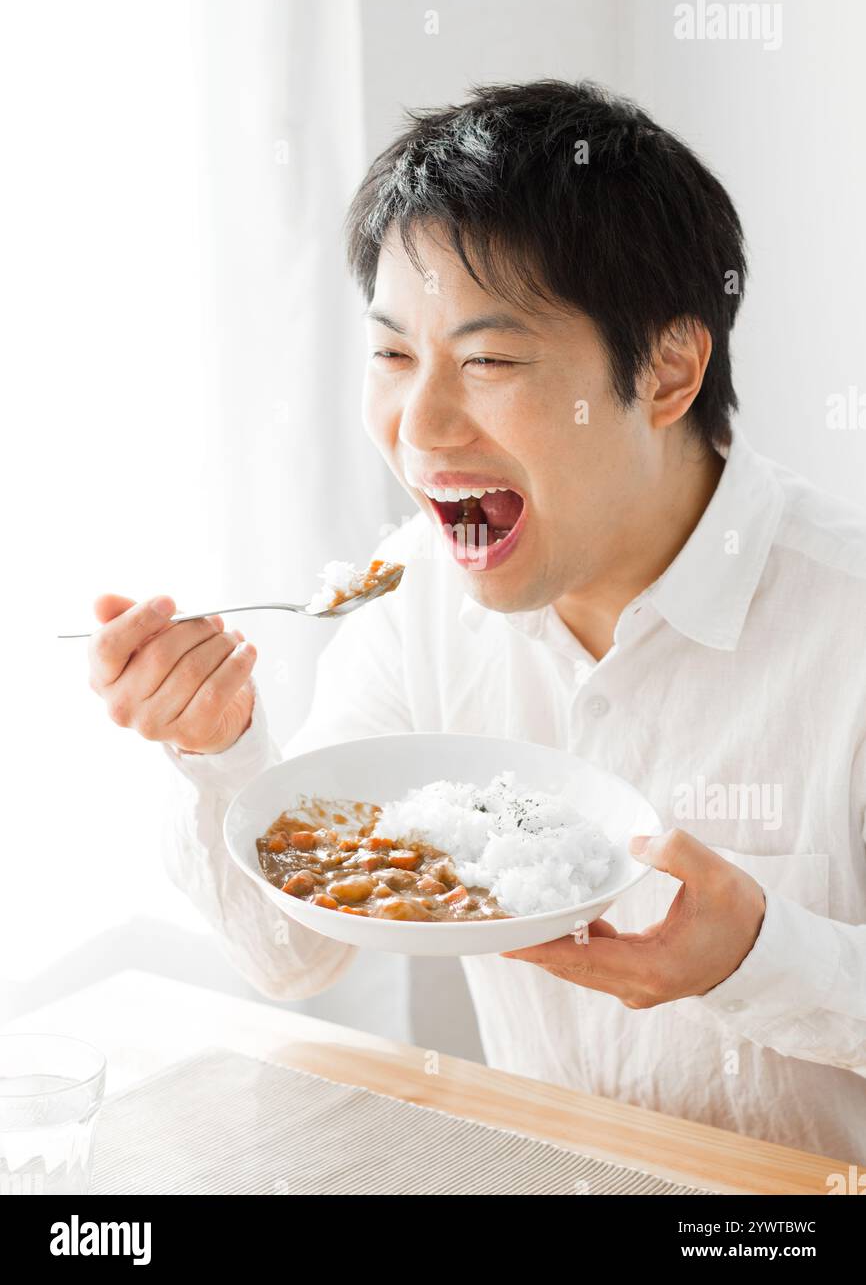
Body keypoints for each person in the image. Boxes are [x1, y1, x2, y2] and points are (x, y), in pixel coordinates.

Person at [87, 81, 866, 1162]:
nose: (419, 427)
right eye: (393, 356)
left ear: (669, 369)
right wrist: (219, 751)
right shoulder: (415, 596)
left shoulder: (846, 623)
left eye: (490, 362)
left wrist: (758, 956)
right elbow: (288, 953)